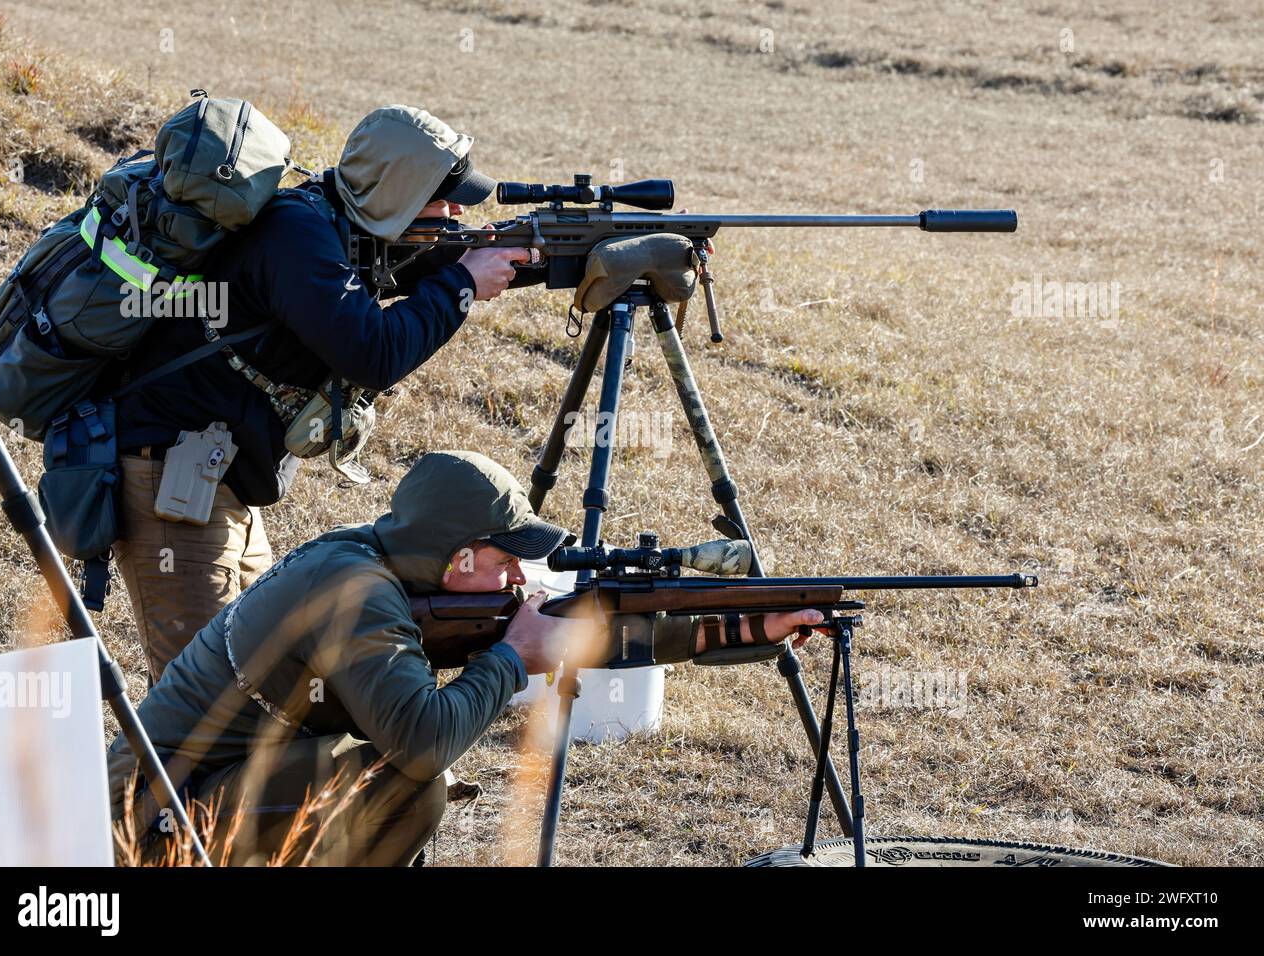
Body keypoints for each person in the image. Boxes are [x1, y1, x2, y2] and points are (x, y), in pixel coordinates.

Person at [107, 451, 825, 866]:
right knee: (408, 783)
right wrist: (511, 660)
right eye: (506, 558)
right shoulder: (357, 592)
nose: (520, 576)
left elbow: (587, 631)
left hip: (207, 787)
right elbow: (423, 743)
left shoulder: (389, 563)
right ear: (459, 558)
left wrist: (744, 630)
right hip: (144, 821)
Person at [106, 105, 532, 682]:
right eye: (442, 199)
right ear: (395, 193)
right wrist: (461, 282)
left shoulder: (334, 223)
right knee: (205, 690)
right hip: (177, 488)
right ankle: (152, 776)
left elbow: (419, 265)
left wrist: (539, 255)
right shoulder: (298, 237)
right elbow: (373, 351)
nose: (455, 216)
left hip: (219, 480)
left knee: (265, 676)